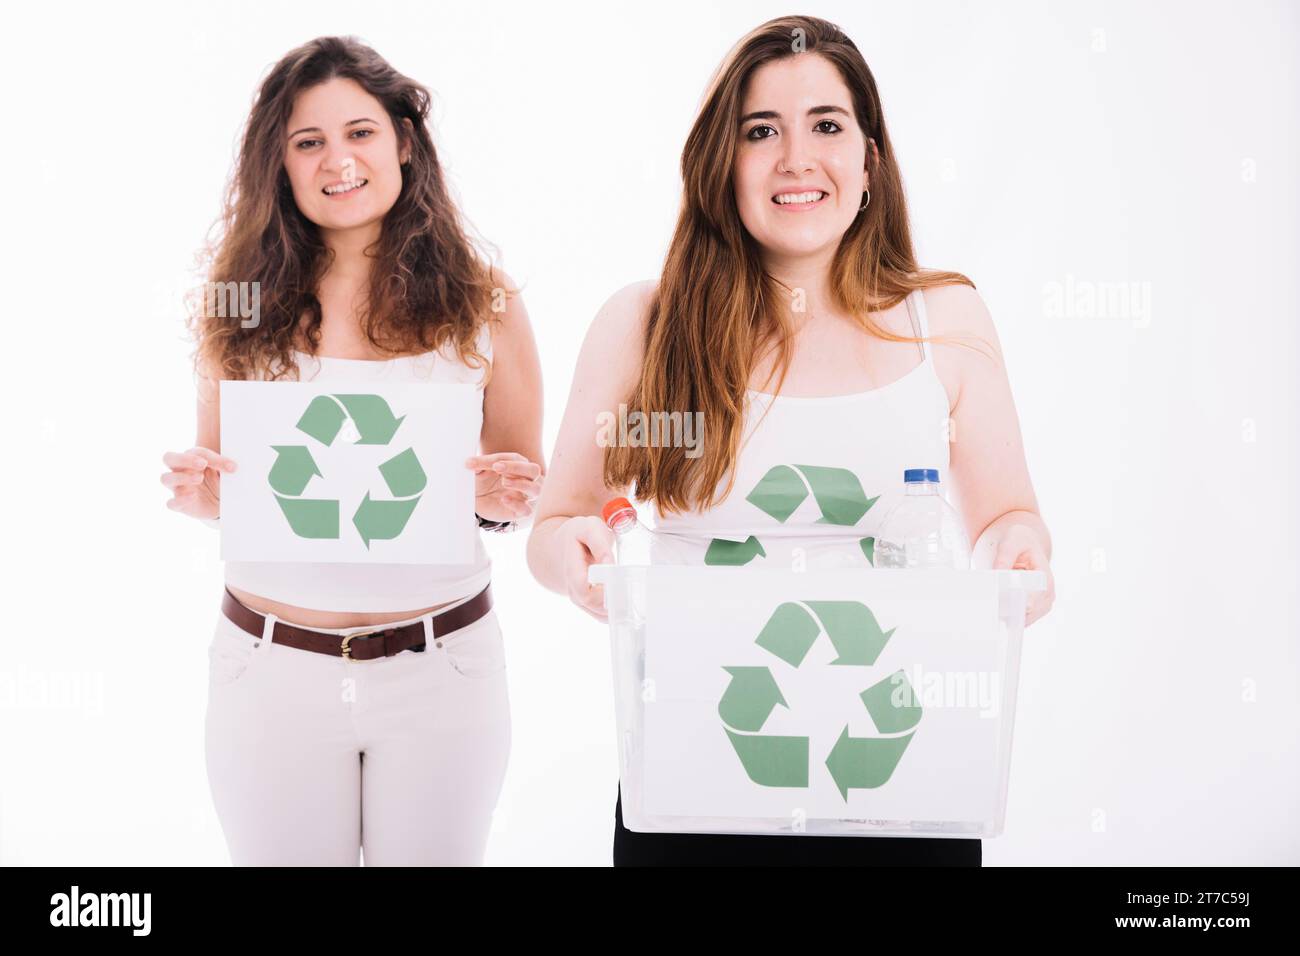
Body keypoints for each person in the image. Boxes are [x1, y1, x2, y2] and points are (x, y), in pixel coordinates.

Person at [527, 15, 1054, 866]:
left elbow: (1007, 517)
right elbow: (556, 527)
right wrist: (574, 553)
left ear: (870, 160)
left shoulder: (945, 322)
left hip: (900, 766)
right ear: (722, 164)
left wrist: (1019, 555)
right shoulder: (645, 324)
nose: (796, 159)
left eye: (827, 126)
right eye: (760, 131)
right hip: (695, 766)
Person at [160, 36, 544, 865]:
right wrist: (202, 496)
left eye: (360, 132)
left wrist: (508, 495)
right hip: (269, 670)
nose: (339, 160)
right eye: (309, 142)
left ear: (403, 141)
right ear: (281, 165)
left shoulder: (485, 302)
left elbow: (515, 483)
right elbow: (226, 476)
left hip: (443, 667)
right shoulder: (238, 307)